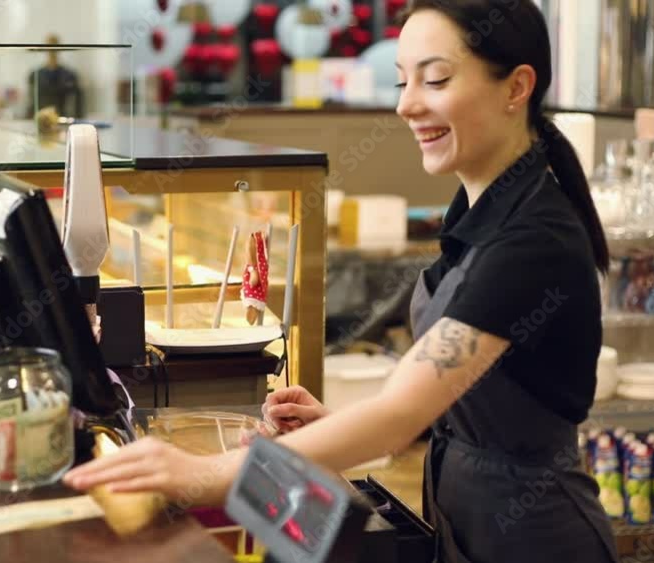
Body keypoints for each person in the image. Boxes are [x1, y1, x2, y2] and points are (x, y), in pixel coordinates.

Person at [64, 1, 618, 561]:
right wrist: (325, 430)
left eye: (436, 79)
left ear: (517, 86)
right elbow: (452, 404)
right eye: (404, 81)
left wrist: (203, 474)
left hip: (535, 539)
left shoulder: (532, 239)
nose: (407, 105)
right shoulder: (479, 212)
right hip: (463, 526)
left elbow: (399, 414)